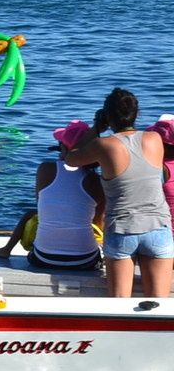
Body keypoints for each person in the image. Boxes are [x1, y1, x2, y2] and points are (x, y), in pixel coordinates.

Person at [63, 89, 174, 297]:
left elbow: (71, 158)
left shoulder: (103, 145)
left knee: (119, 304)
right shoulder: (155, 139)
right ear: (137, 114)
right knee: (159, 305)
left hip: (122, 230)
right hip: (158, 228)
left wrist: (96, 128)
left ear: (107, 116)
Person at [0, 123, 105, 269]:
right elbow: (98, 221)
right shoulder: (97, 180)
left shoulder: (45, 169)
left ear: (64, 149)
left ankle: (5, 250)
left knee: (30, 214)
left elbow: (43, 209)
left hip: (43, 258)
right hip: (85, 260)